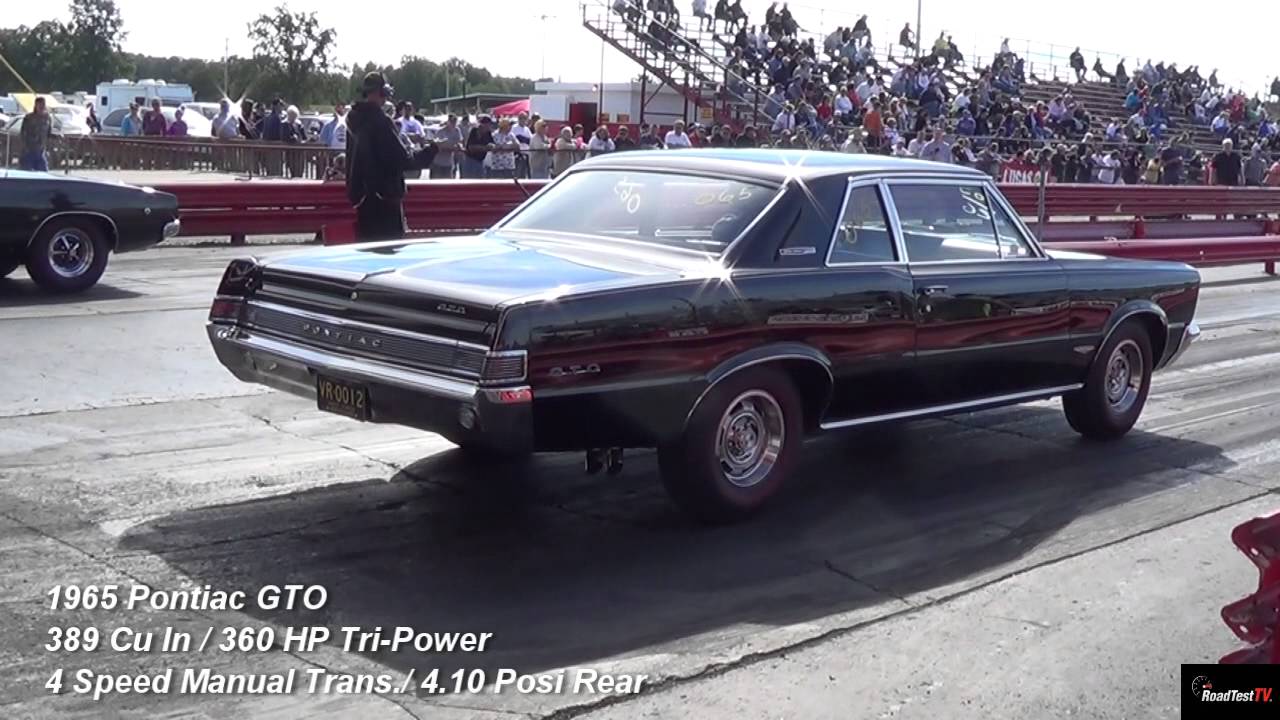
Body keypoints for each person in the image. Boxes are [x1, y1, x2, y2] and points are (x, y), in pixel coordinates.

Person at [345, 72, 436, 241]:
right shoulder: (381, 122)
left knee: (366, 249)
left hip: (362, 200)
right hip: (385, 200)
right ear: (380, 92)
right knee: (388, 249)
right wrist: (432, 150)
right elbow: (402, 160)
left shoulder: (353, 119)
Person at [19, 96, 52, 171]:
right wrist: (24, 147)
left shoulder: (47, 118)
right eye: (39, 104)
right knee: (27, 172)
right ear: (35, 105)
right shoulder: (29, 117)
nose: (41, 107)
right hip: (29, 150)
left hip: (41, 150)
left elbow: (49, 133)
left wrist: (55, 137)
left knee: (43, 172)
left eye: (43, 104)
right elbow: (23, 133)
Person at [430, 114, 463, 179]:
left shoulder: (457, 131)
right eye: (452, 121)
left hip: (449, 162)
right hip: (438, 162)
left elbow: (459, 142)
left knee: (448, 181)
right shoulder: (441, 131)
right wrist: (448, 147)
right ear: (448, 122)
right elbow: (437, 144)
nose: (453, 123)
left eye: (455, 122)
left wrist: (458, 147)